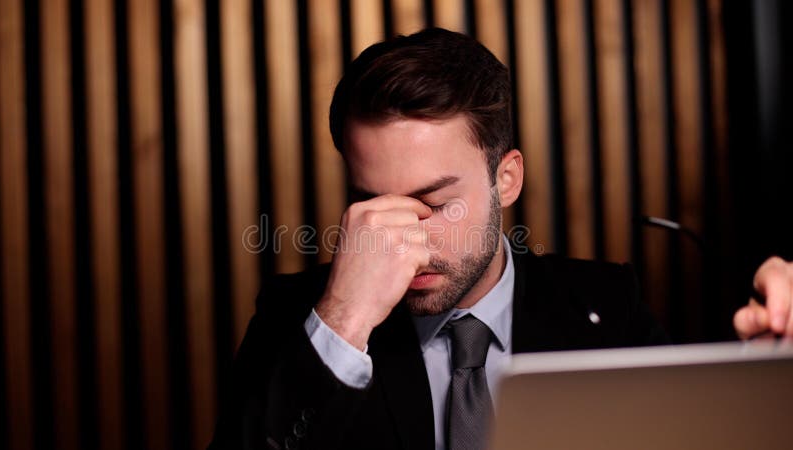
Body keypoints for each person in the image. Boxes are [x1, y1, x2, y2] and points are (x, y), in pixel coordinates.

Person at [209, 28, 793, 450]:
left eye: (435, 203)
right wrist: (341, 324)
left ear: (506, 178)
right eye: (375, 206)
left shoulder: (605, 306)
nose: (405, 238)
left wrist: (767, 386)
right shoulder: (297, 319)